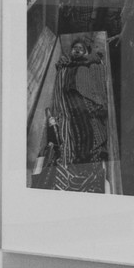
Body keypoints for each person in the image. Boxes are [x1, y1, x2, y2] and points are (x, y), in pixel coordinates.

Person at [33, 35, 112, 192]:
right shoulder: (65, 63)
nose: (77, 50)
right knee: (68, 130)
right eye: (74, 48)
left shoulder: (92, 62)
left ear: (85, 52)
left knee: (89, 130)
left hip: (84, 101)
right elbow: (60, 82)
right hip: (67, 104)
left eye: (80, 49)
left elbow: (96, 81)